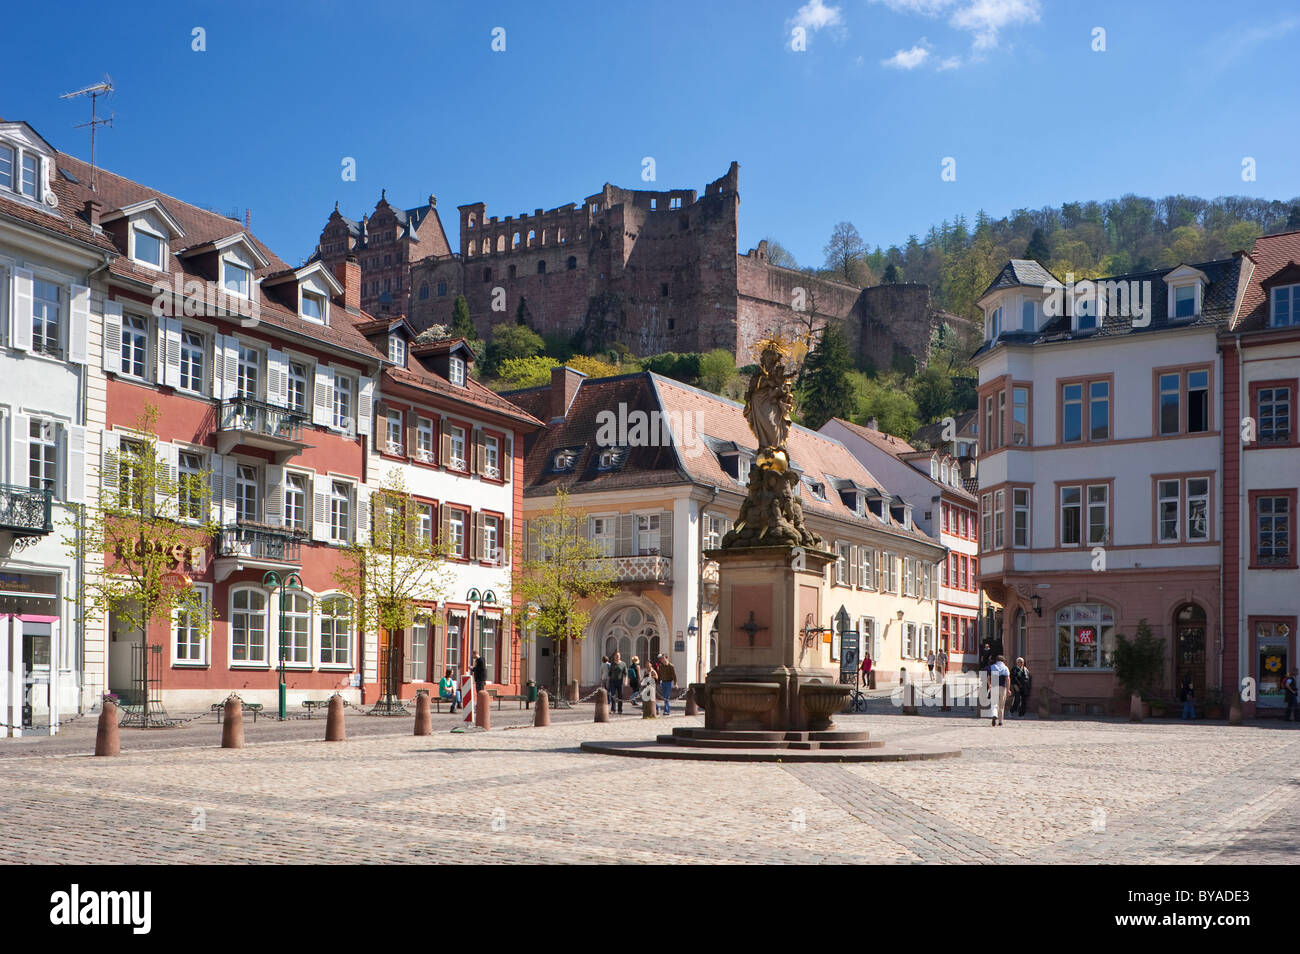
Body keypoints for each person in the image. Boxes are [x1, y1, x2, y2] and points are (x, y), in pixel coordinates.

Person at [988, 654, 1011, 726]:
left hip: (994, 687)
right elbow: (1007, 679)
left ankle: (994, 715)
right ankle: (1000, 721)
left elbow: (988, 678)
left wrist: (989, 685)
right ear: (1003, 661)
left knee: (994, 703)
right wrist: (1008, 689)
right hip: (1002, 687)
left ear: (996, 660)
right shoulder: (1005, 668)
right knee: (1001, 705)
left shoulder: (992, 667)